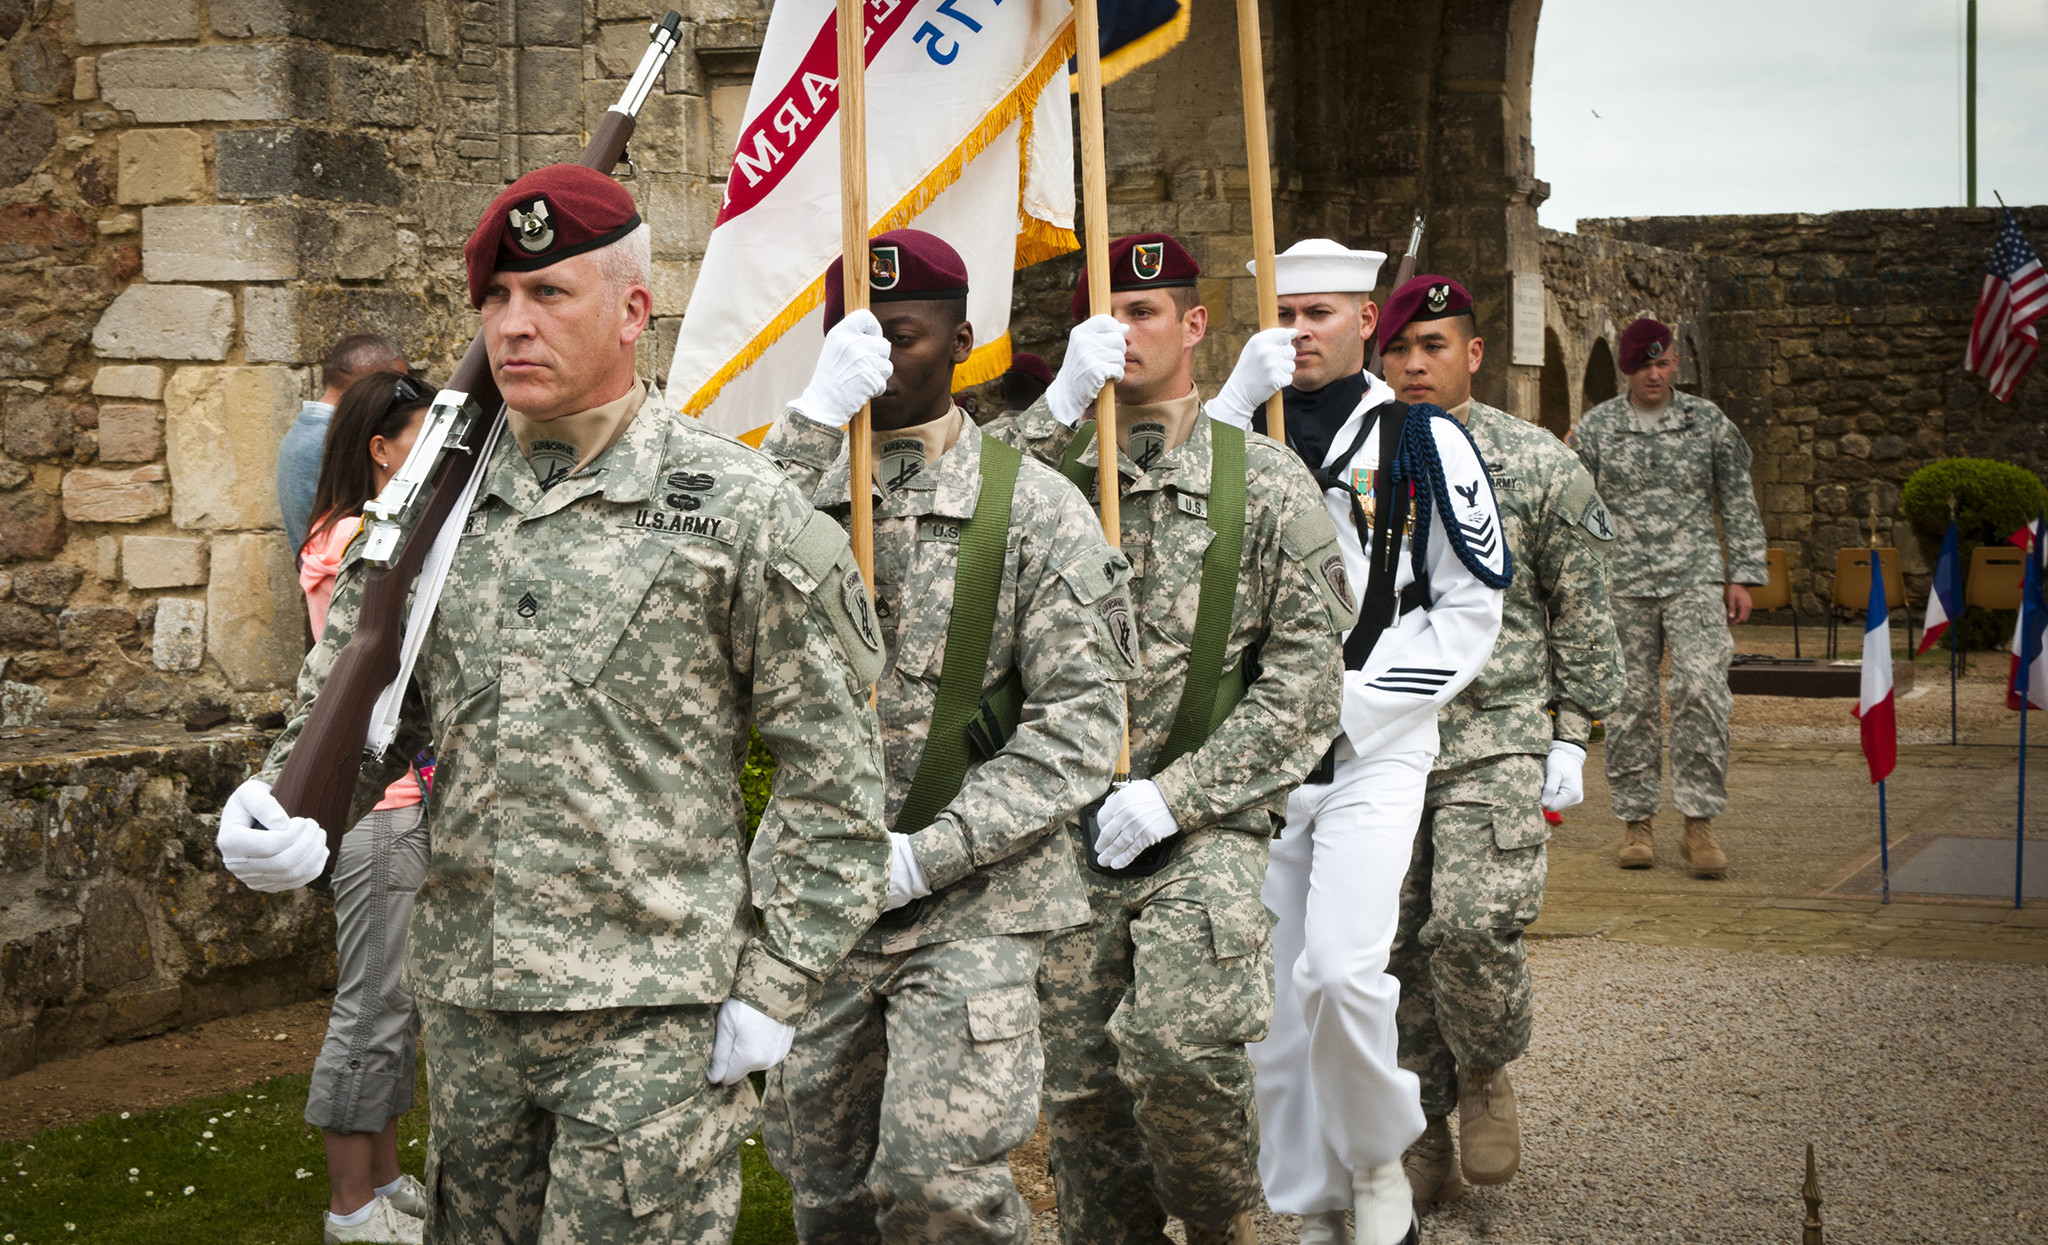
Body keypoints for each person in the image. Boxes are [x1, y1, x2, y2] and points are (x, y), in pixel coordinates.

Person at [213, 164, 891, 1245]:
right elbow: (360, 714)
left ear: (632, 310)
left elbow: (837, 781)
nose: (510, 327)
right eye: (494, 300)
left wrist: (777, 980)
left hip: (652, 1020)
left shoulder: (736, 508)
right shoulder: (426, 513)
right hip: (473, 1010)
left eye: (548, 296)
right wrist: (285, 806)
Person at [754, 228, 1134, 1244]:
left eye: (902, 335)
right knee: (824, 1193)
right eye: (855, 337)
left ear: (962, 341)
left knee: (936, 1187)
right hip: (817, 898)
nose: (878, 357)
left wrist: (930, 855)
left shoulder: (1033, 511)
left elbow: (1082, 720)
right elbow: (695, 591)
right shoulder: (788, 500)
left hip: (973, 899)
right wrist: (805, 428)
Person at [984, 232, 1348, 1245]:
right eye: (1099, 314)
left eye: (1142, 311)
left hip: (1200, 823)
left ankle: (1220, 1217)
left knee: (1178, 1047)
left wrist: (1173, 798)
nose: (1119, 329)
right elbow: (944, 527)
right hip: (1063, 831)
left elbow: (1303, 692)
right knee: (1086, 1098)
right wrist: (1054, 411)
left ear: (1194, 326)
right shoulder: (1040, 473)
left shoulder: (1265, 482)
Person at [1225, 253, 1508, 1245]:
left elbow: (1468, 612)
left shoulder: (1419, 440)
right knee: (1269, 1006)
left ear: (1360, 323)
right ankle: (1316, 1198)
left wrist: (1346, 708)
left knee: (1341, 974)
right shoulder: (1232, 434)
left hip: (1368, 749)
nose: (1298, 329)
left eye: (1319, 312)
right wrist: (1222, 413)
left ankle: (1378, 1161)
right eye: (1283, 312)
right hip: (1248, 766)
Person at [1375, 278, 1624, 1207]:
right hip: (1385, 739)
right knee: (1395, 943)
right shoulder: (1358, 458)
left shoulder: (1537, 464)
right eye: (1398, 349)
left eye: (1432, 346)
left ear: (1473, 354)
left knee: (1473, 924)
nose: (1412, 365)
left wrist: (1572, 733)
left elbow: (1583, 607)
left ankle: (1484, 1070)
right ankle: (1424, 1121)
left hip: (1497, 736)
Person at [296, 370, 436, 1244]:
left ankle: (381, 1179)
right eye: (424, 438)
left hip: (400, 798)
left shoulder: (371, 527)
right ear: (381, 450)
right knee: (372, 1007)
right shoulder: (360, 538)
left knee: (396, 1004)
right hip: (378, 804)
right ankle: (351, 1205)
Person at [1572, 318, 1767, 878]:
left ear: (1675, 363)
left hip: (1695, 577)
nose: (1652, 375)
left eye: (1661, 364)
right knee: (1629, 702)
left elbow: (1737, 496)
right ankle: (1636, 822)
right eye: (1641, 366)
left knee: (1702, 689)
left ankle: (1699, 822)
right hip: (1622, 582)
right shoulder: (1597, 429)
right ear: (1626, 370)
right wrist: (1580, 577)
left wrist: (1744, 574)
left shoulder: (1707, 423)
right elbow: (1577, 506)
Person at [278, 335, 410, 557]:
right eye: (399, 387)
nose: (403, 400)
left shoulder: (303, 433)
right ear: (371, 385)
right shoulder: (335, 442)